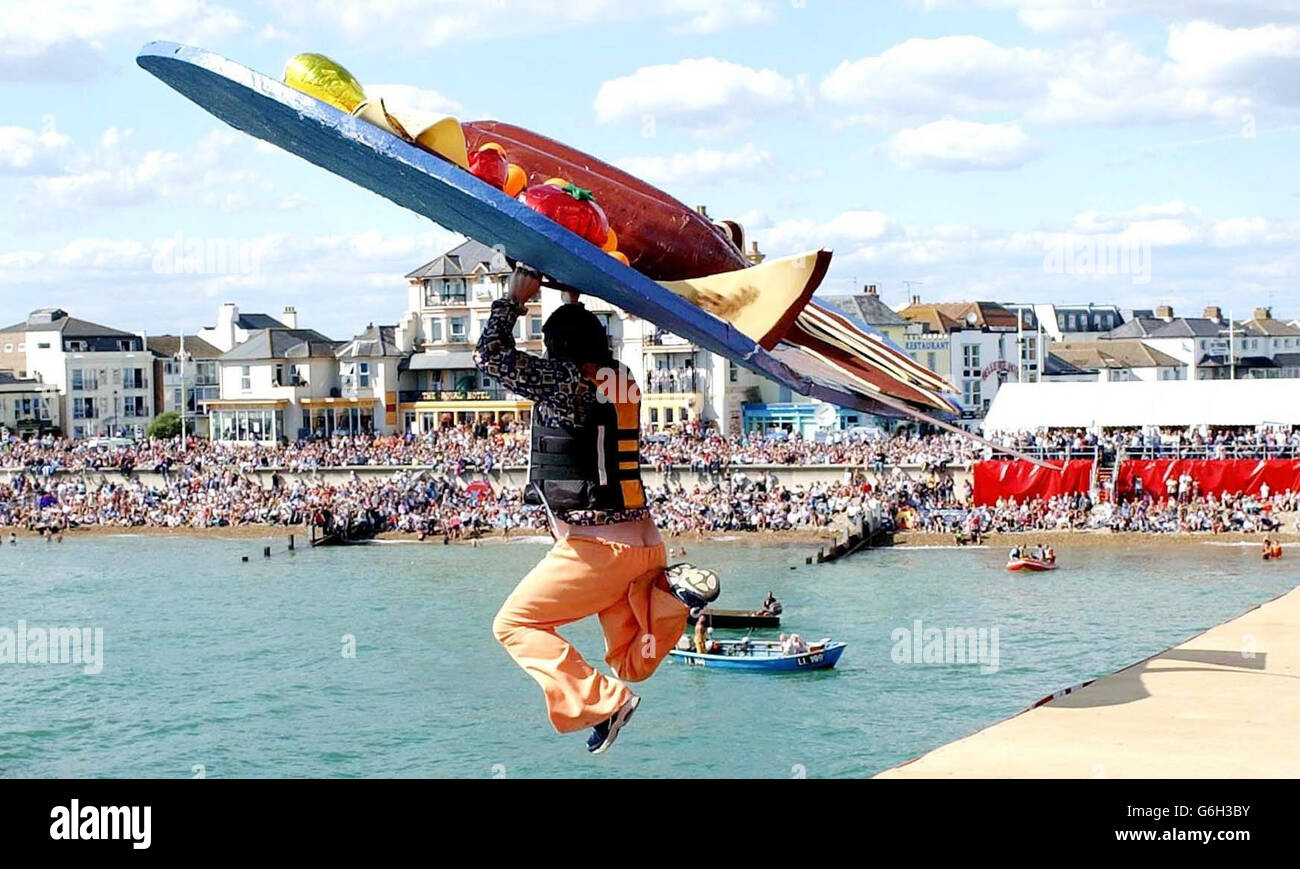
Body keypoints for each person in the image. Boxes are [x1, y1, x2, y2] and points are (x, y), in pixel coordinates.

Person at [478, 264, 720, 755]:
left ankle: (606, 702)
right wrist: (571, 299)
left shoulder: (566, 382)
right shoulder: (622, 377)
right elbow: (579, 354)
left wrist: (515, 299)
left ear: (558, 352)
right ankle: (673, 599)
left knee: (515, 625)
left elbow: (492, 357)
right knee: (632, 661)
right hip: (644, 543)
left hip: (599, 548)